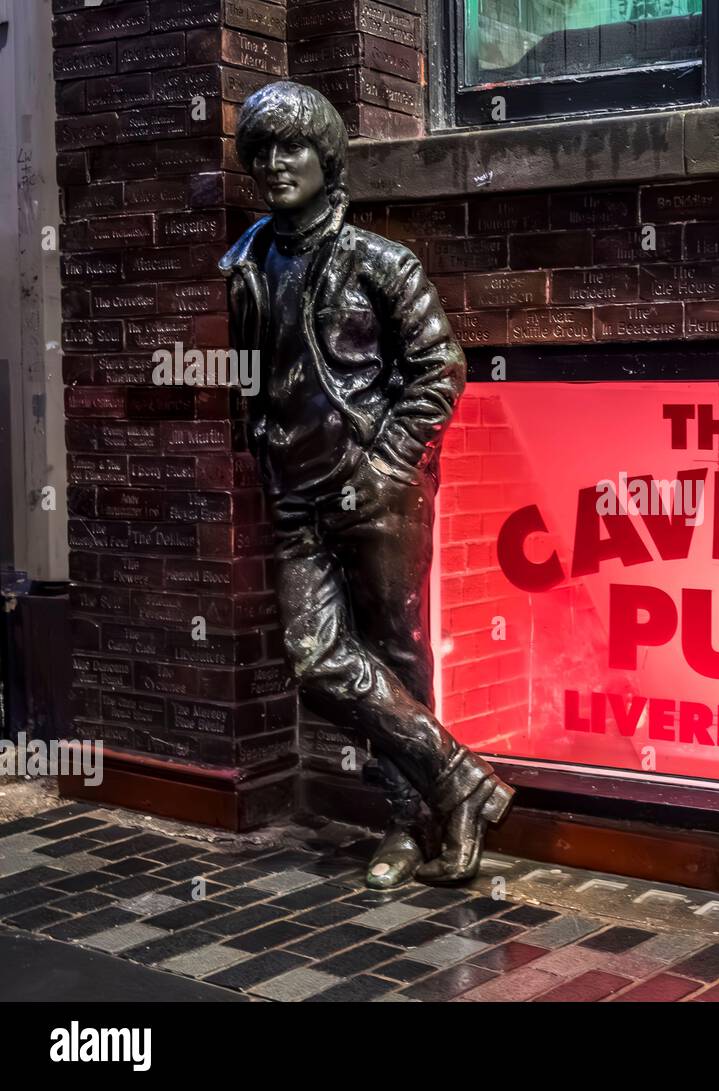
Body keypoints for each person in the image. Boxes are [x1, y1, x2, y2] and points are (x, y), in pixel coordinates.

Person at [220, 81, 512, 889]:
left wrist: (385, 463)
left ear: (326, 158)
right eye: (262, 152)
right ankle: (458, 779)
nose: (277, 165)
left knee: (393, 652)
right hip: (293, 494)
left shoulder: (381, 262)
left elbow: (441, 367)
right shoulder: (244, 263)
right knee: (316, 661)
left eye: (293, 149)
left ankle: (408, 823)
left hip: (375, 491)